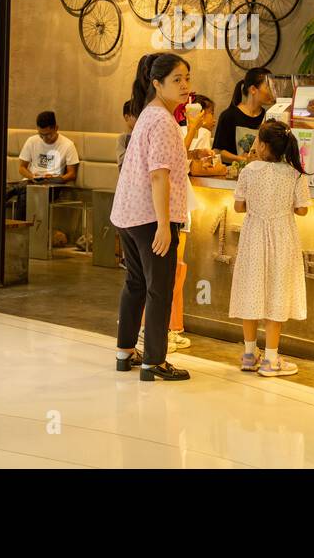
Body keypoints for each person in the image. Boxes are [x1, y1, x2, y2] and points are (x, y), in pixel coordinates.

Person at [112, 53, 193, 382]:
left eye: (187, 77)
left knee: (136, 284)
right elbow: (159, 175)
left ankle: (125, 352)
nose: (185, 85)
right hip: (149, 217)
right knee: (159, 288)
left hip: (129, 213)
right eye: (177, 79)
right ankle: (154, 362)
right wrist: (163, 225)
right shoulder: (162, 120)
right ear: (156, 83)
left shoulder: (149, 114)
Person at [228, 119, 311, 377]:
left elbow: (239, 207)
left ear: (263, 145)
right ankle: (272, 359)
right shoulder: (295, 173)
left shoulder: (249, 170)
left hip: (253, 237)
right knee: (277, 292)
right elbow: (302, 209)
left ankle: (249, 354)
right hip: (282, 238)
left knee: (251, 291)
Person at [214, 68, 274, 163]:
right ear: (253, 89)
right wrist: (243, 160)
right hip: (232, 175)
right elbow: (218, 152)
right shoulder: (229, 116)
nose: (273, 92)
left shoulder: (268, 118)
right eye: (269, 87)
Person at [18, 111, 80, 184]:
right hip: (32, 182)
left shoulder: (68, 145)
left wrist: (54, 179)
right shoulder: (31, 141)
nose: (44, 138)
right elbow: (22, 168)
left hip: (53, 184)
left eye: (48, 135)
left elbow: (72, 174)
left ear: (56, 128)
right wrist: (32, 176)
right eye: (41, 134)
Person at [117, 100, 135, 170]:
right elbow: (121, 160)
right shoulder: (123, 138)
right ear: (127, 117)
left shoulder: (141, 137)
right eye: (136, 115)